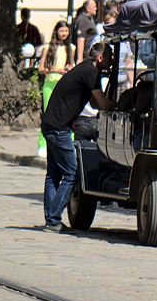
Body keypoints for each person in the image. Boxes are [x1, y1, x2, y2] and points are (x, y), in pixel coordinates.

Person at [40, 43, 110, 232]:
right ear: (101, 58)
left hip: (50, 124)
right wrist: (117, 104)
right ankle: (54, 218)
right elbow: (101, 103)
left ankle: (51, 220)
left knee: (53, 174)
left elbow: (95, 103)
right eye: (109, 59)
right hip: (59, 128)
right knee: (71, 172)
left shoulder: (85, 69)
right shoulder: (90, 72)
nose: (111, 64)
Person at [35, 19, 75, 157]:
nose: (64, 33)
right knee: (48, 115)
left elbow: (72, 66)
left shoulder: (71, 48)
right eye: (61, 31)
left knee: (66, 115)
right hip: (50, 84)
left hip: (64, 86)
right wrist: (55, 70)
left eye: (66, 31)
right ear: (56, 32)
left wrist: (70, 69)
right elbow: (41, 69)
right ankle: (43, 144)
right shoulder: (48, 48)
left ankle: (68, 143)